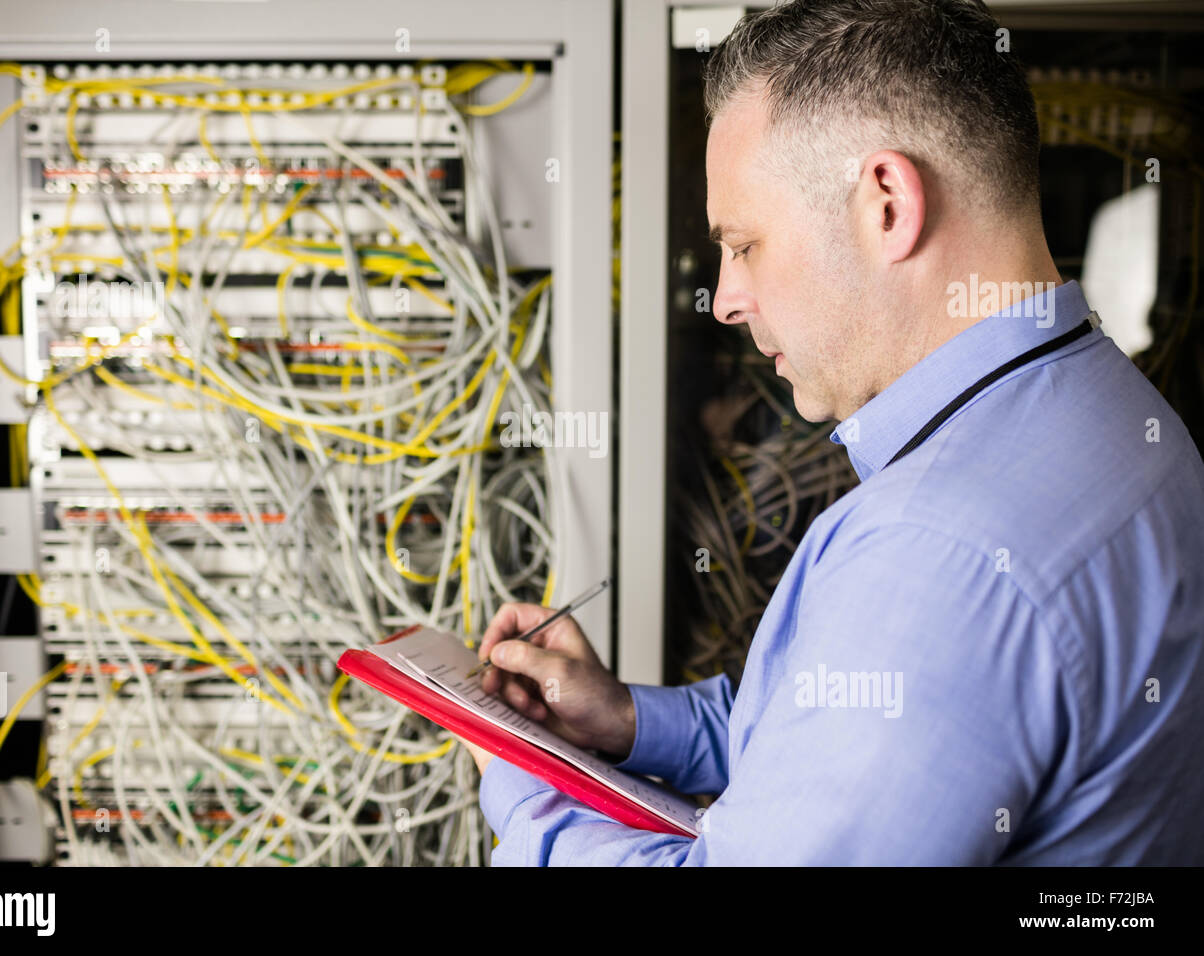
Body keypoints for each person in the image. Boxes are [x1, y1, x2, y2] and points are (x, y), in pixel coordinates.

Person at [459, 0, 1204, 865]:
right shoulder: (1129, 419)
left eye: (745, 244)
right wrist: (629, 721)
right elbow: (886, 737)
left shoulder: (937, 551)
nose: (729, 297)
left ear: (887, 202)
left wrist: (524, 787)